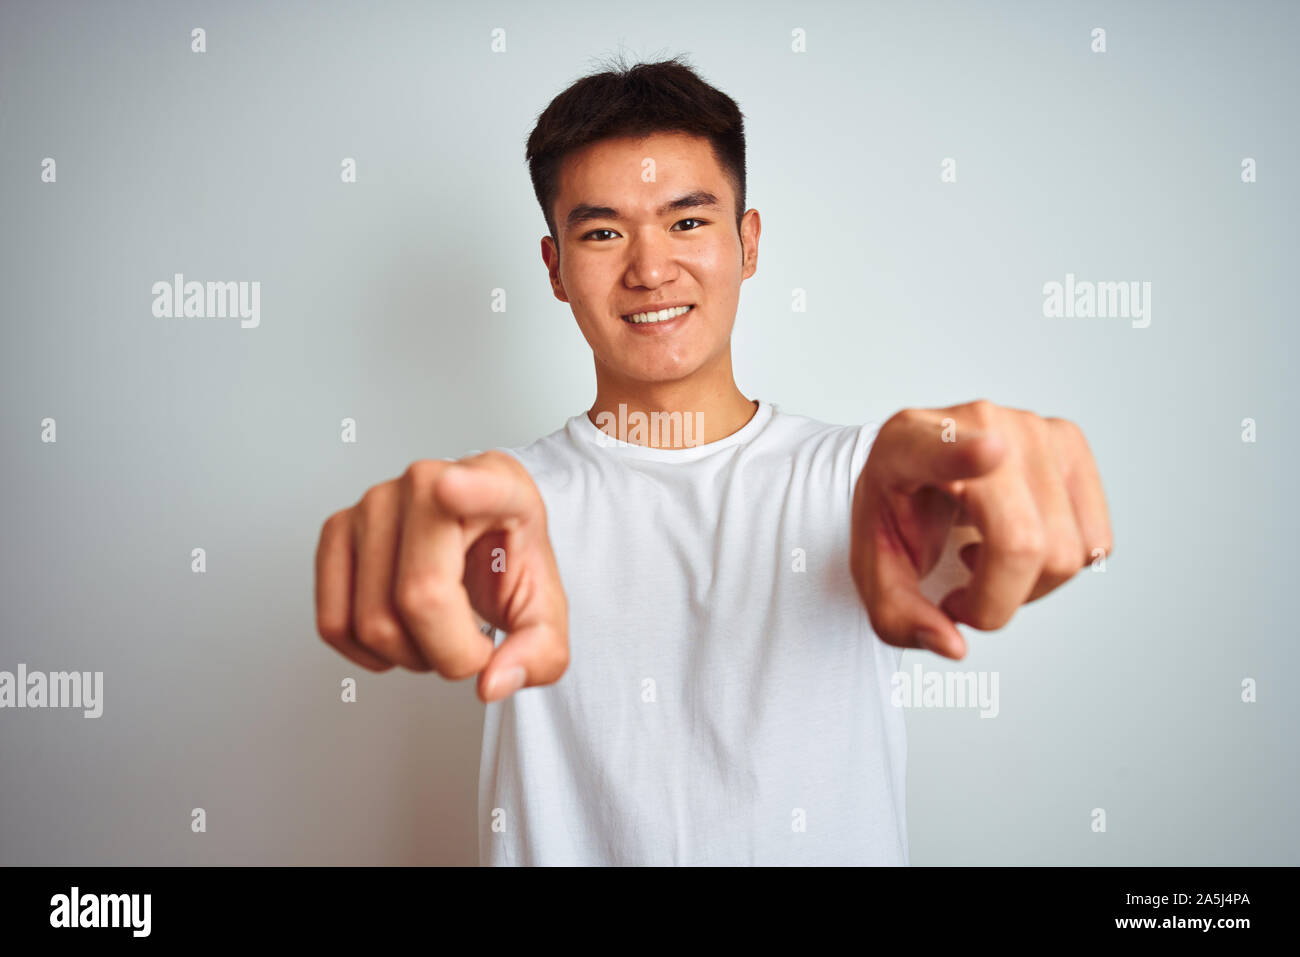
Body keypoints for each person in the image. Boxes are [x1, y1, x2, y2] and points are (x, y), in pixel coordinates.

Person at [313, 55, 1112, 865]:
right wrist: (403, 544)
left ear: (748, 241)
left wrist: (987, 473)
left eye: (688, 222)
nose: (650, 269)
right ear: (554, 269)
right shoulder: (502, 510)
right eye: (603, 232)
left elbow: (967, 514)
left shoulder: (862, 486)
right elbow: (439, 548)